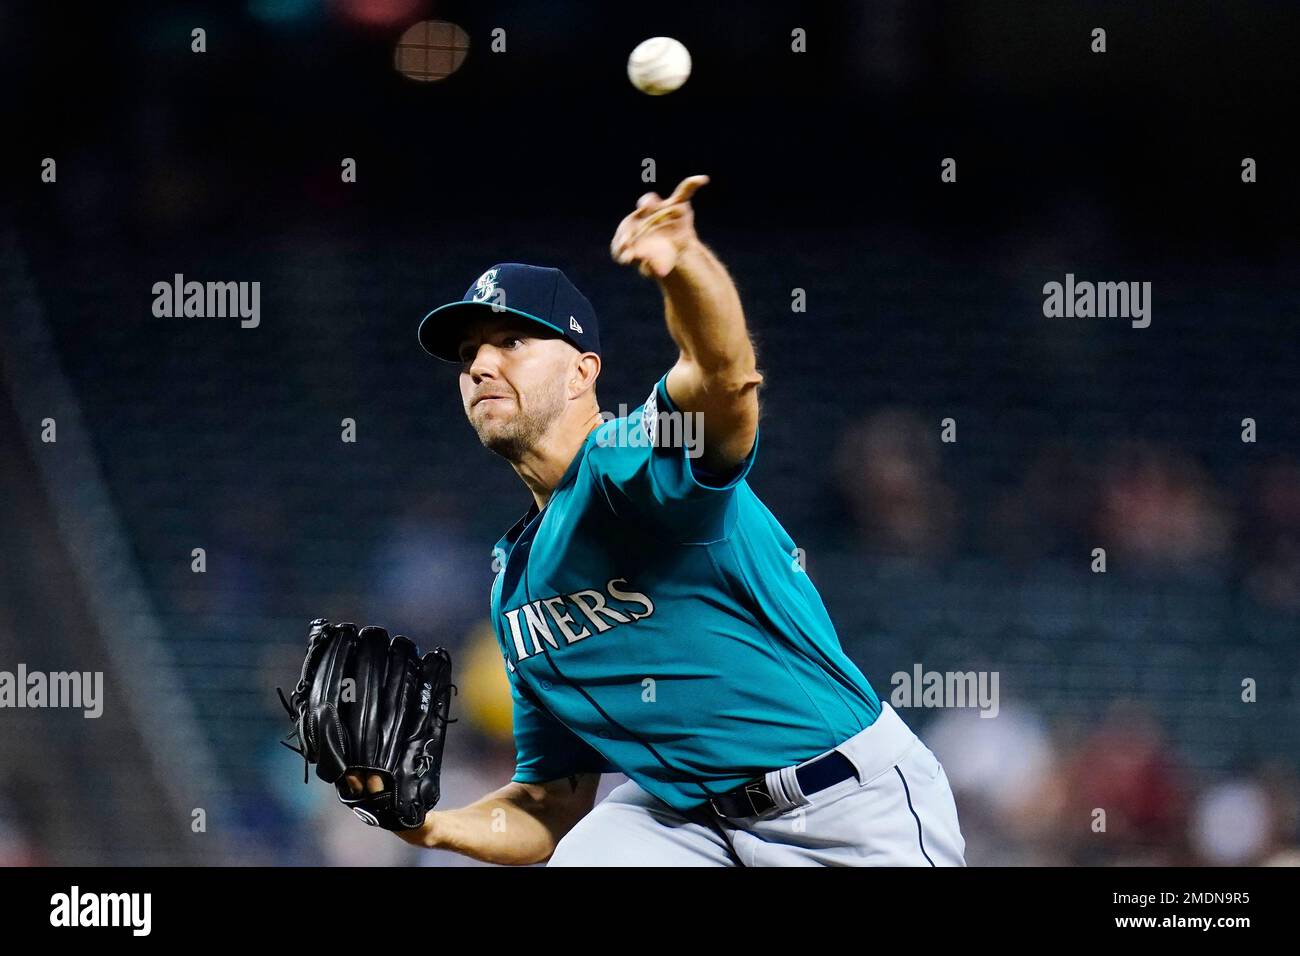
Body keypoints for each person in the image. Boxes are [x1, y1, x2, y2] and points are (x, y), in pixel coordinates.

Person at [396, 174, 966, 865]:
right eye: (467, 355)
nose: (481, 364)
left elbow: (723, 379)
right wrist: (424, 823)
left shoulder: (626, 462)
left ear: (582, 372)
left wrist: (687, 268)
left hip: (843, 806)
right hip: (682, 821)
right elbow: (550, 806)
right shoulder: (514, 589)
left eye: (511, 341)